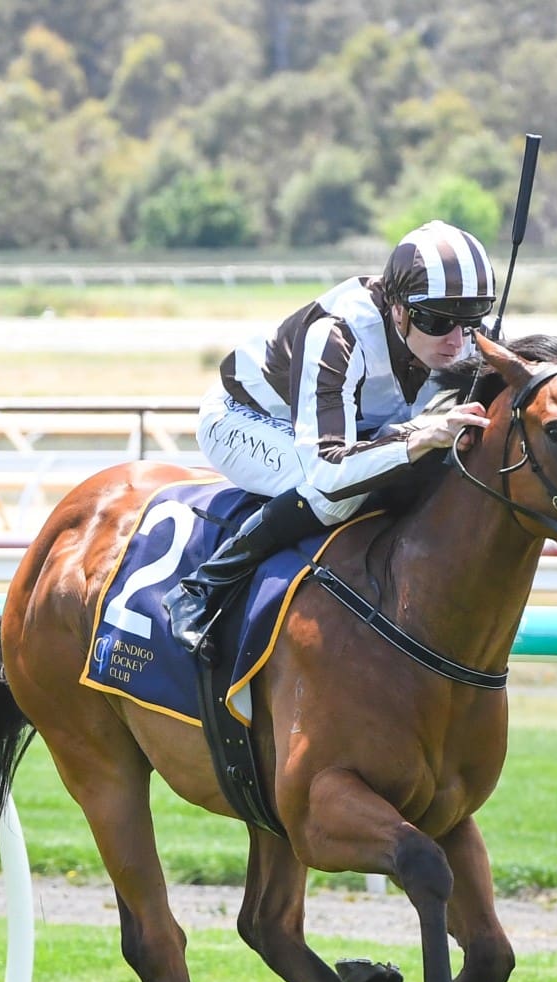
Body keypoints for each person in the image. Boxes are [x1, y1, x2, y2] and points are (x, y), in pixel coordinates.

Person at [163, 220, 497, 661]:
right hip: (243, 419)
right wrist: (422, 438)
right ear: (398, 310)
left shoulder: (463, 338)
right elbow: (329, 469)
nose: (456, 342)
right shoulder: (339, 332)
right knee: (339, 494)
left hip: (347, 428)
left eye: (470, 322)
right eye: (437, 322)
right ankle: (202, 587)